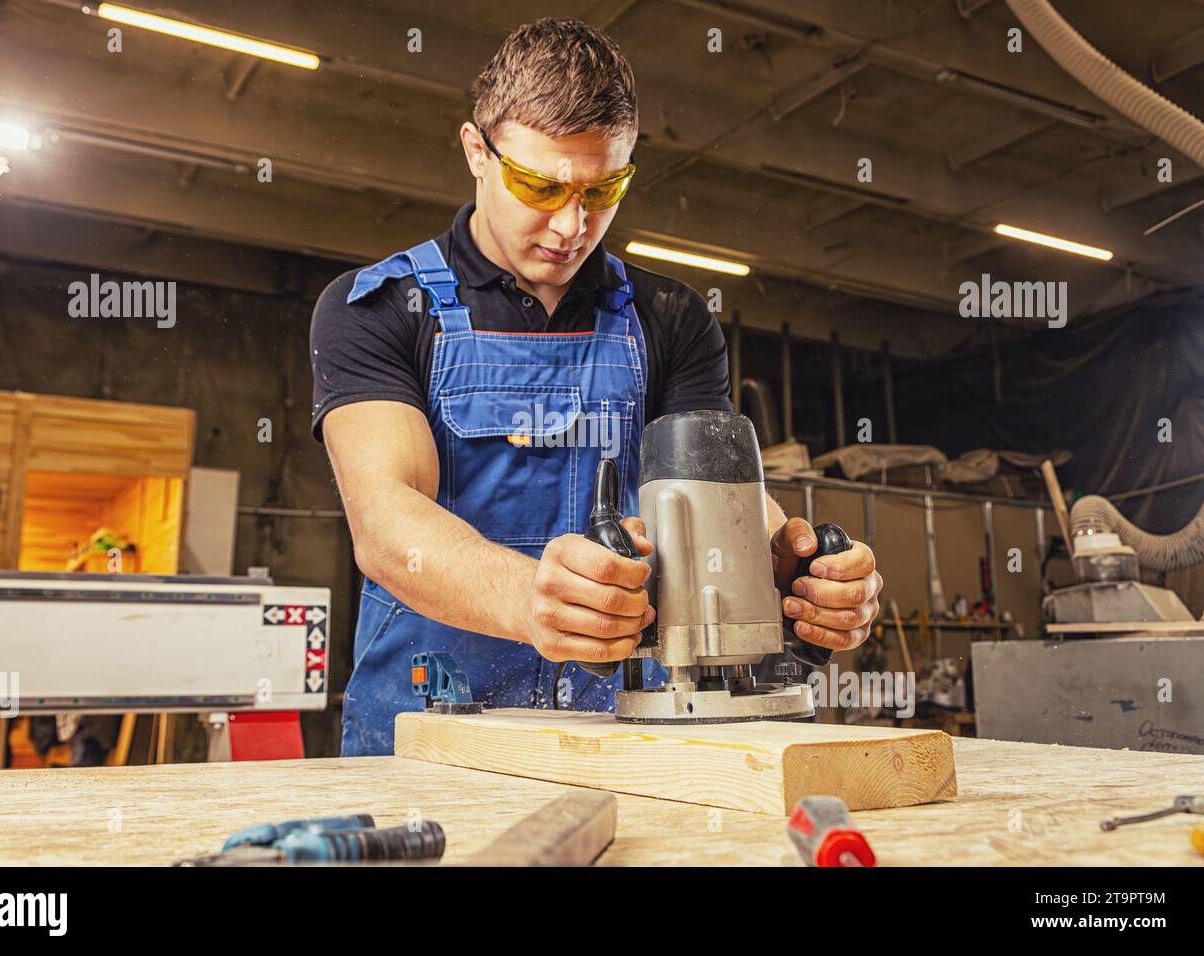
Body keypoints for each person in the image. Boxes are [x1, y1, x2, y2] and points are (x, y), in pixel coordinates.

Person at [310, 18, 883, 757]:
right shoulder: (381, 308)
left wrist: (801, 571)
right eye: (539, 185)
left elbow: (716, 500)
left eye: (602, 188)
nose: (570, 225)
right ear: (475, 152)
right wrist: (529, 601)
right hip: (423, 736)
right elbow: (388, 525)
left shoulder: (669, 320)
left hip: (619, 736)